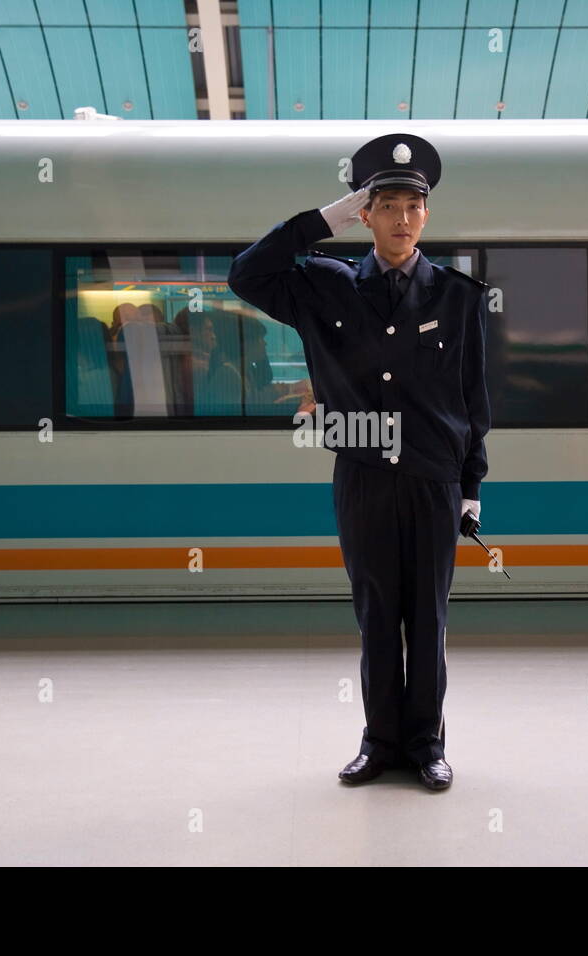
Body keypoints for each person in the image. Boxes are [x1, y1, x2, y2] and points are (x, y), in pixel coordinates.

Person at [227, 132, 491, 792]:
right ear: (365, 214)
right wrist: (324, 219)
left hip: (433, 480)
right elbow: (246, 274)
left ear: (426, 216)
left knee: (427, 619)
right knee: (376, 616)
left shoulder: (456, 297)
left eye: (412, 207)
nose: (402, 220)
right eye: (386, 206)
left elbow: (473, 396)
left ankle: (427, 745)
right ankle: (379, 743)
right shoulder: (325, 286)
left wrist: (471, 486)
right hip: (364, 476)